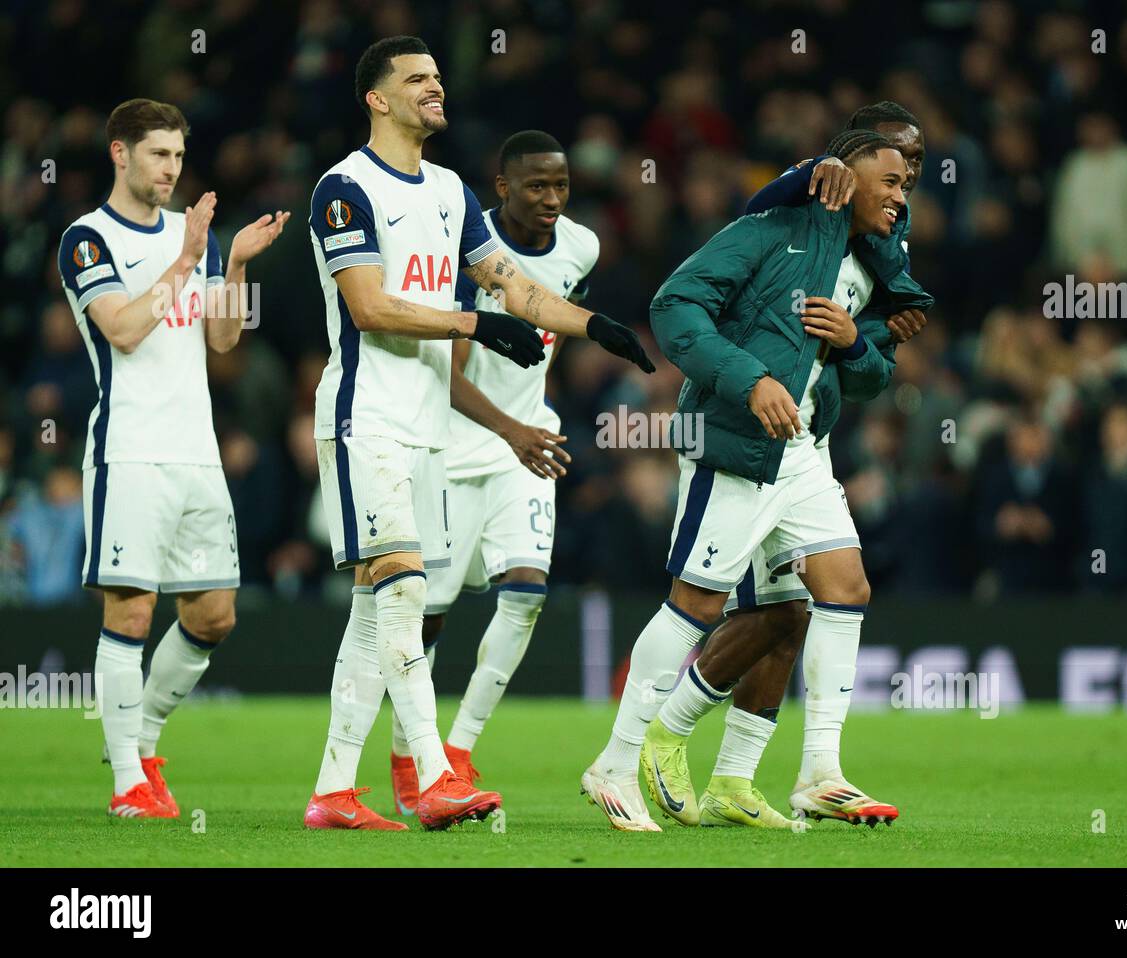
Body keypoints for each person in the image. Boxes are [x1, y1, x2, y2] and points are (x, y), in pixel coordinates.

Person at [304, 37, 652, 832]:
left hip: (427, 426)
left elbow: (515, 287)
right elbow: (369, 306)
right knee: (400, 590)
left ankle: (332, 792)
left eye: (436, 77)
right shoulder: (345, 188)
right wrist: (472, 322)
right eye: (416, 80)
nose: (435, 89)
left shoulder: (452, 193)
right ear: (377, 99)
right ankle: (433, 774)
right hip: (368, 417)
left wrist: (594, 324)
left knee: (375, 611)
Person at [582, 129, 932, 831]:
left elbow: (872, 376)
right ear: (846, 172)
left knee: (839, 590)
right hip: (738, 442)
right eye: (890, 180)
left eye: (909, 183)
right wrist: (751, 382)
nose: (902, 197)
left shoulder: (873, 267)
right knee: (695, 607)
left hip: (802, 447)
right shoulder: (773, 228)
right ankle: (616, 763)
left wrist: (855, 341)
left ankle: (818, 773)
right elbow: (673, 304)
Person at [56, 98, 288, 818]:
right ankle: (128, 782)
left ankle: (143, 737)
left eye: (180, 157)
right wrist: (187, 257)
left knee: (215, 615)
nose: (172, 169)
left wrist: (235, 264)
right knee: (131, 610)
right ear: (120, 153)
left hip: (197, 452)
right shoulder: (86, 239)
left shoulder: (199, 236)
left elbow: (221, 343)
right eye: (158, 154)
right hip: (130, 450)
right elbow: (123, 329)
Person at [387, 130, 596, 815]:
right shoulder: (459, 256)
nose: (551, 200)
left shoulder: (581, 246)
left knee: (527, 592)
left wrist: (529, 414)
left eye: (561, 186)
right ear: (502, 189)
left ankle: (458, 750)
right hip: (452, 450)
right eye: (536, 186)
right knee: (429, 618)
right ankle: (405, 753)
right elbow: (445, 378)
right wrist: (511, 428)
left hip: (526, 450)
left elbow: (550, 338)